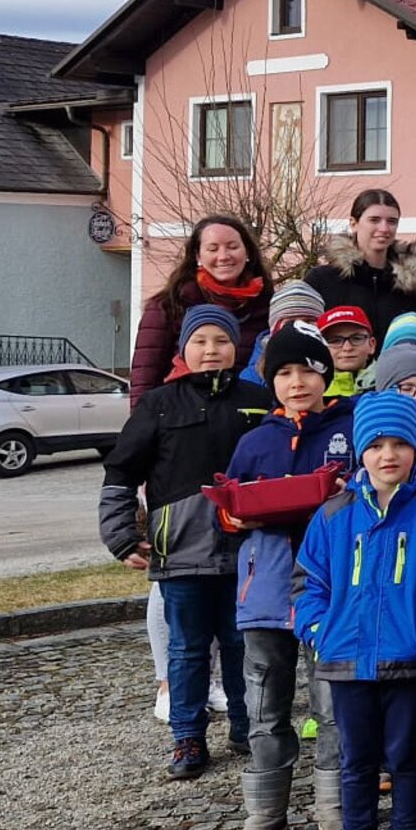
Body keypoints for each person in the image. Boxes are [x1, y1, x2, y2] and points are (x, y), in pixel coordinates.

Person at [294, 391, 416, 830]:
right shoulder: (334, 515)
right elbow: (309, 583)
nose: (387, 455)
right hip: (346, 659)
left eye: (399, 444)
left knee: (407, 756)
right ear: (360, 454)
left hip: (408, 660)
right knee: (357, 759)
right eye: (375, 445)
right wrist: (320, 630)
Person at [100, 303, 271, 776]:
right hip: (181, 552)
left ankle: (246, 726)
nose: (211, 350)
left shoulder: (257, 400)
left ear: (236, 347)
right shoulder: (159, 404)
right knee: (188, 649)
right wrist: (118, 534)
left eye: (221, 341)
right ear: (184, 349)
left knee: (243, 645)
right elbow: (121, 470)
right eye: (201, 341)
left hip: (246, 553)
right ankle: (188, 737)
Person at [221, 322, 355, 830]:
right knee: (265, 705)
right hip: (266, 591)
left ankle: (335, 813)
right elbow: (229, 512)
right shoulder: (254, 441)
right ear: (270, 378)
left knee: (332, 704)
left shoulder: (346, 430)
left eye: (307, 370)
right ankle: (265, 814)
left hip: (332, 588)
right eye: (284, 372)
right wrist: (235, 511)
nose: (297, 382)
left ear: (326, 375)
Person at [128, 214, 273, 403]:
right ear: (197, 255)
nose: (223, 256)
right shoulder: (170, 305)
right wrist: (143, 426)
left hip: (248, 417)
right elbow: (145, 378)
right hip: (183, 418)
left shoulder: (268, 305)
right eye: (213, 248)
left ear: (248, 253)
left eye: (233, 247)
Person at [304, 190, 416, 343]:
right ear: (353, 223)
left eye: (392, 221)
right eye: (374, 220)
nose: (384, 228)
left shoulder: (415, 284)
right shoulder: (323, 280)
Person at [241, 279, 325, 389]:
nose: (299, 328)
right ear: (275, 328)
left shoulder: (337, 363)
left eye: (308, 321)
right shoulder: (251, 378)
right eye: (290, 322)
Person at [318, 307, 376, 398]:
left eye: (356, 338)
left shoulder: (391, 384)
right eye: (335, 340)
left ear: (372, 345)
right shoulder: (313, 392)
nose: (347, 348)